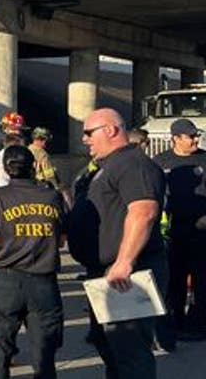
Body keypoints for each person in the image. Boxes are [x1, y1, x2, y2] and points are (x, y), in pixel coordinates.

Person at [74, 107, 167, 378]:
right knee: (110, 346)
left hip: (127, 273)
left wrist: (124, 262)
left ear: (111, 130)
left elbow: (144, 211)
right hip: (107, 273)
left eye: (89, 133)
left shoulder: (132, 163)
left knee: (130, 352)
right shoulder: (108, 166)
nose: (84, 139)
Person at [0, 145, 68, 379]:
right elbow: (61, 241)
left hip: (6, 281)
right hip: (44, 283)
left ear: (6, 170)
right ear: (34, 166)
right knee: (44, 354)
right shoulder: (52, 196)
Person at [153, 118, 206, 341]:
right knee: (173, 281)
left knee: (205, 281)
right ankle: (175, 323)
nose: (195, 140)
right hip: (173, 231)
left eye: (196, 135)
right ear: (176, 139)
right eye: (190, 136)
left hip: (203, 229)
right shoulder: (160, 162)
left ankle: (198, 324)